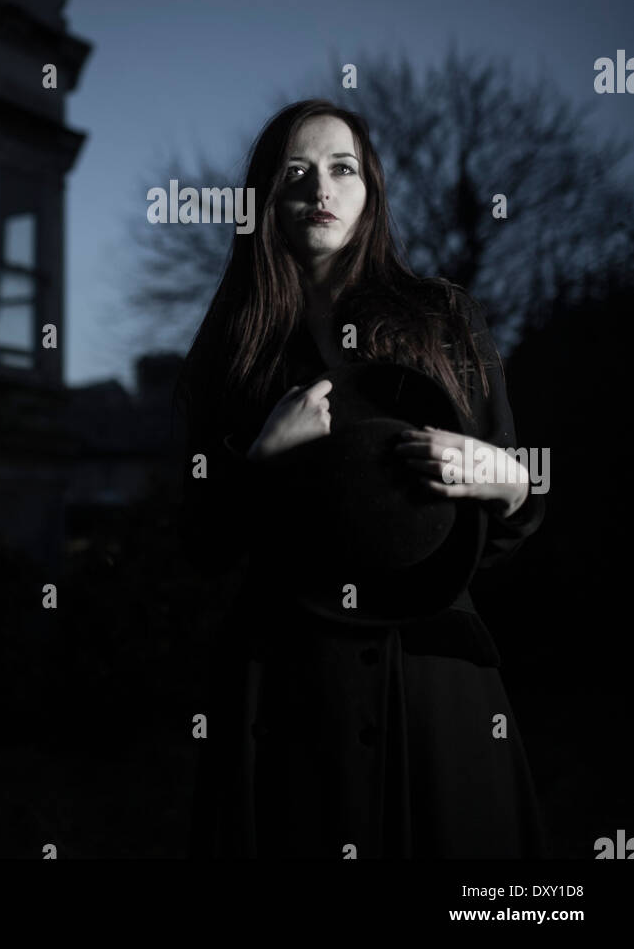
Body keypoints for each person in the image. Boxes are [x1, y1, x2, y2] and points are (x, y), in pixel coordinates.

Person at [175, 98, 546, 859]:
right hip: (289, 689)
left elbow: (506, 524)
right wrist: (261, 460)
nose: (321, 189)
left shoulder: (444, 317)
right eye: (296, 173)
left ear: (370, 190)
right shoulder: (230, 352)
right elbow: (201, 542)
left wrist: (509, 482)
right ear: (266, 199)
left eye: (342, 169)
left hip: (434, 680)